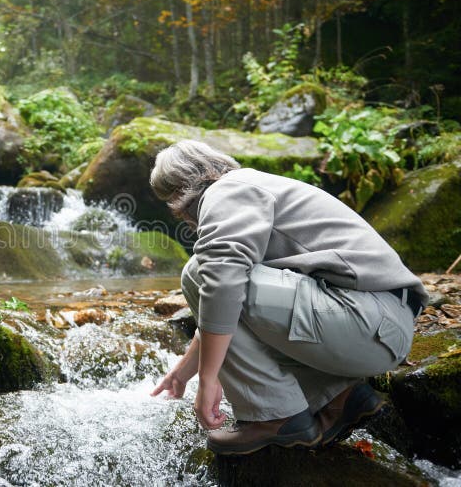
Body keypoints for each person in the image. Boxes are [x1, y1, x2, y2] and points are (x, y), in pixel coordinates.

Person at [148, 140, 426, 455]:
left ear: (179, 193)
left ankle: (273, 417)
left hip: (368, 321)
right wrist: (184, 371)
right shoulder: (253, 188)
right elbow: (229, 310)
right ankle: (338, 397)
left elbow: (222, 285)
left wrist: (208, 379)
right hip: (377, 325)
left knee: (199, 272)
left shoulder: (227, 192)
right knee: (214, 281)